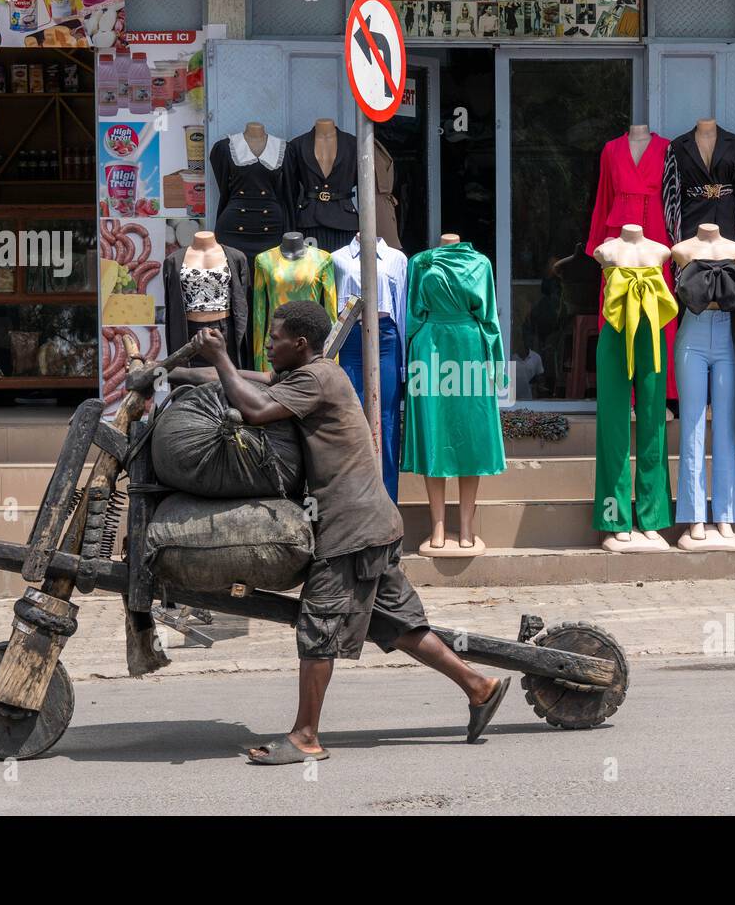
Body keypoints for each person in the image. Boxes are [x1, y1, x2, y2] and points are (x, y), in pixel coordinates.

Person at [189, 301, 510, 764]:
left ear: (300, 344)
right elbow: (251, 382)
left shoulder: (317, 379)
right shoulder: (307, 375)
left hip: (350, 529)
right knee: (399, 626)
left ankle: (305, 737)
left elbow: (256, 410)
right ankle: (481, 686)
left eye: (275, 338)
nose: (268, 344)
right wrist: (179, 377)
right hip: (371, 523)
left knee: (318, 628)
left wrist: (219, 360)